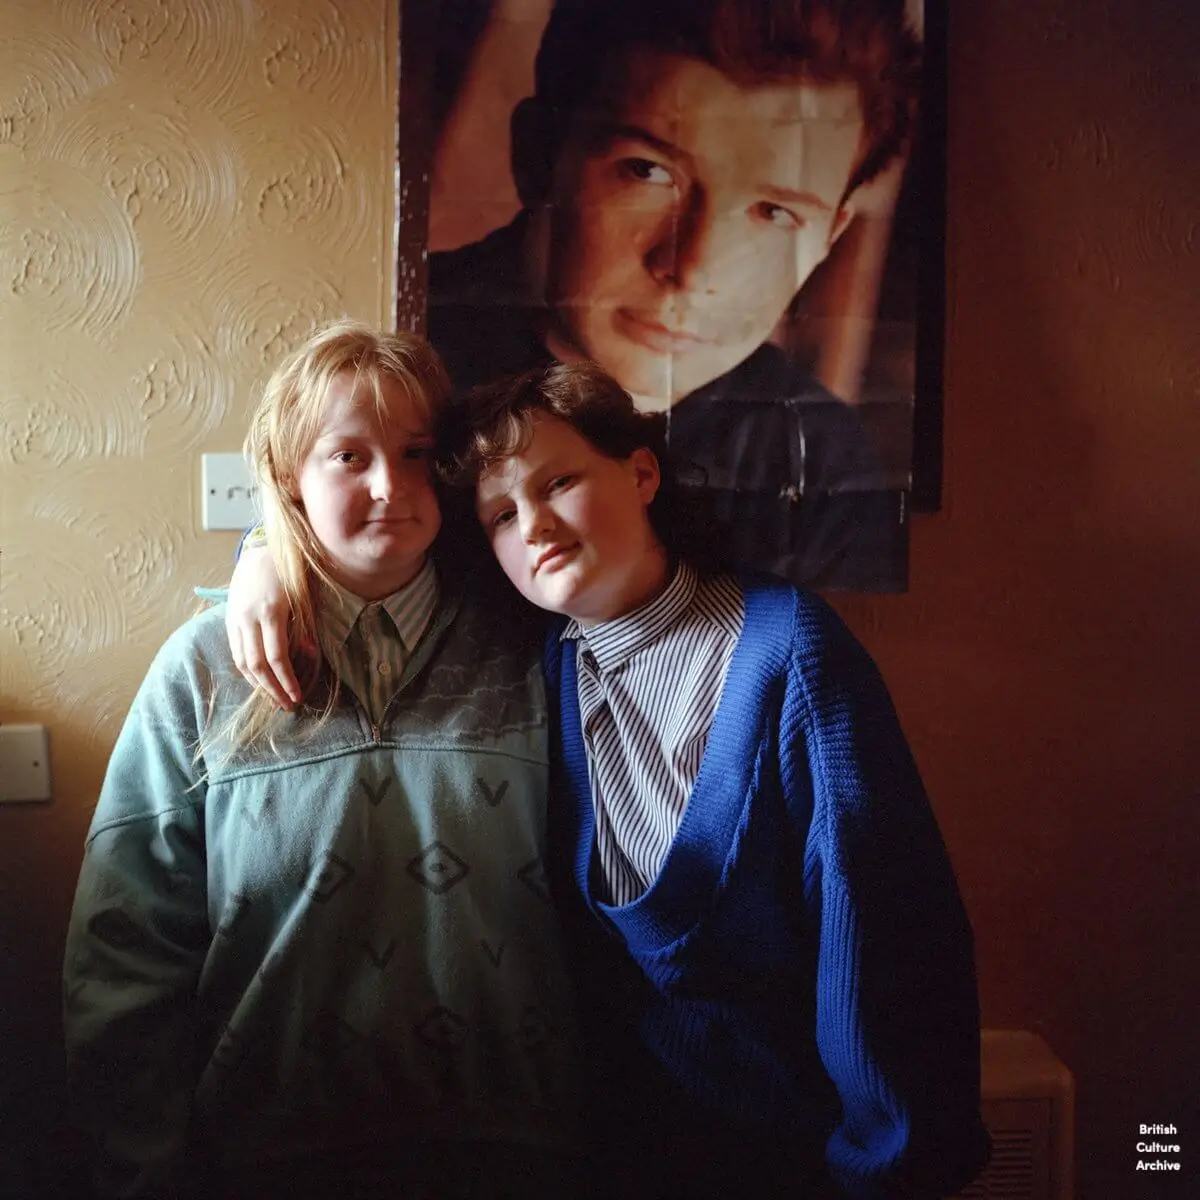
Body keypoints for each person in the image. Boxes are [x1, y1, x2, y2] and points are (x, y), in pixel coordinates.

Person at [438, 361, 990, 1197]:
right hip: (615, 1164)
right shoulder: (535, 667)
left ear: (641, 473)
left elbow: (889, 946)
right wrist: (262, 554)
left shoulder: (790, 655)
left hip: (798, 1166)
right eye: (502, 516)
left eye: (558, 483)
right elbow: (365, 569)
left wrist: (887, 1175)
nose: (535, 525)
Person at [61, 323, 582, 1199]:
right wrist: (147, 1167)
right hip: (261, 1152)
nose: (391, 488)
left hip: (513, 1145)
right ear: (288, 476)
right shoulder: (203, 670)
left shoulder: (535, 648)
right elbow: (125, 948)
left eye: (417, 454)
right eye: (349, 456)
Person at [429, 0, 923, 592]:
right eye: (647, 171)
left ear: (829, 239)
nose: (693, 269)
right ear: (537, 154)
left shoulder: (823, 461)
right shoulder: (401, 371)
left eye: (775, 212)